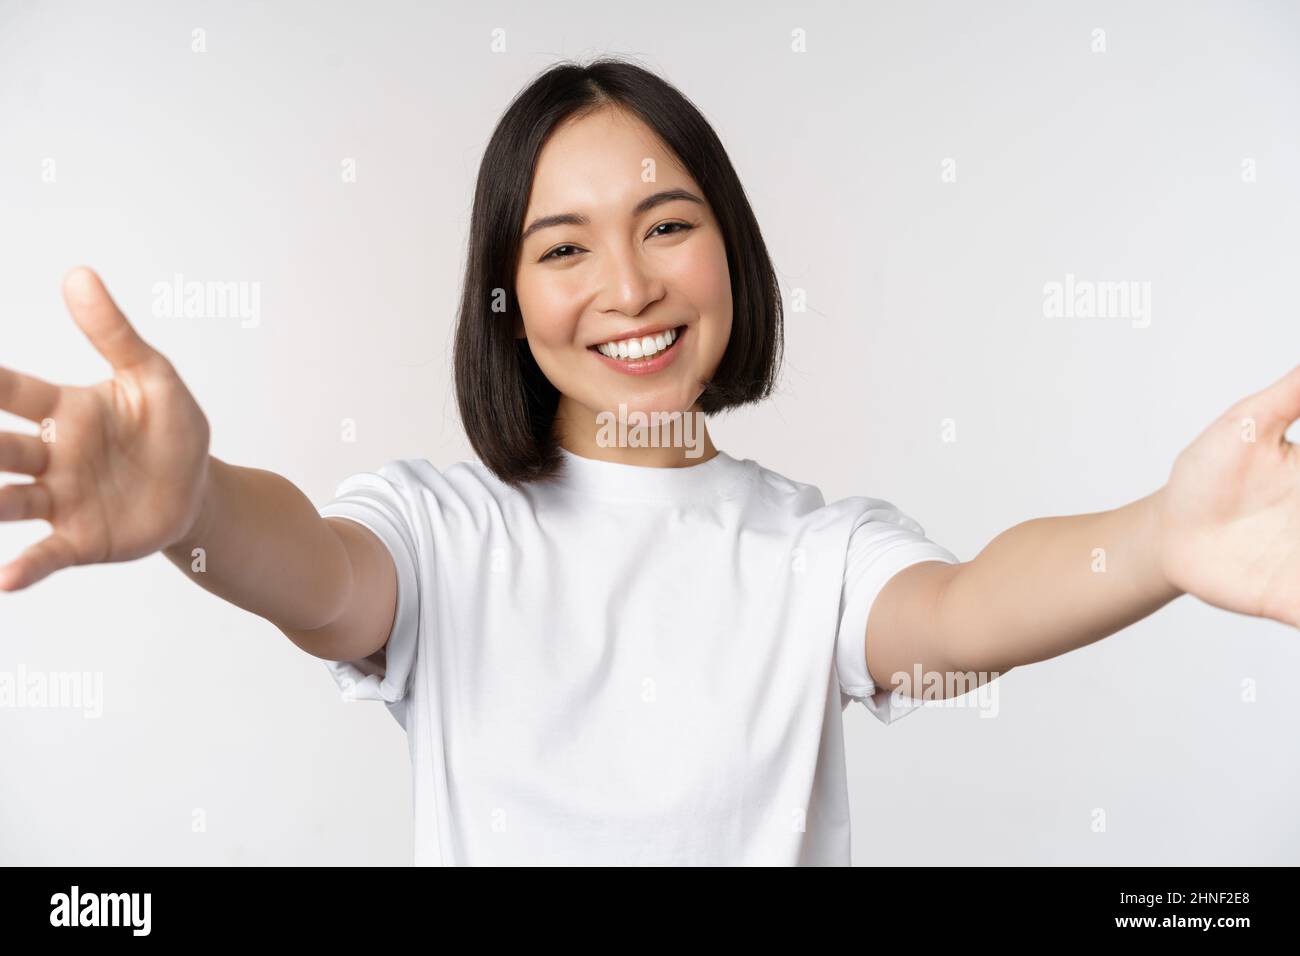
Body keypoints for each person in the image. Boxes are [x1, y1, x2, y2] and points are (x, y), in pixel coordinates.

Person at [1, 58, 1296, 866]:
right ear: (503, 294)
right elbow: (321, 581)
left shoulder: (812, 552)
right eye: (563, 248)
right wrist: (195, 511)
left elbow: (963, 613)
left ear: (728, 247)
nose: (628, 287)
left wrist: (1164, 538)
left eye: (667, 225)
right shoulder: (446, 534)